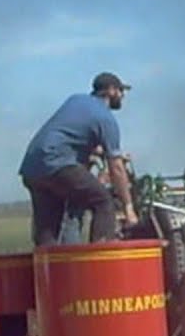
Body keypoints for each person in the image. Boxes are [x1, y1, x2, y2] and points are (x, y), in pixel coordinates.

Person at [18, 72, 139, 245]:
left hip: (32, 167)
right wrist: (128, 207)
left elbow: (71, 134)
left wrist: (97, 152)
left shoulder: (76, 100)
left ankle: (49, 267)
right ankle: (100, 259)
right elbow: (117, 168)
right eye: (121, 91)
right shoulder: (106, 119)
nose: (122, 96)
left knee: (48, 229)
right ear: (111, 90)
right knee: (103, 201)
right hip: (57, 163)